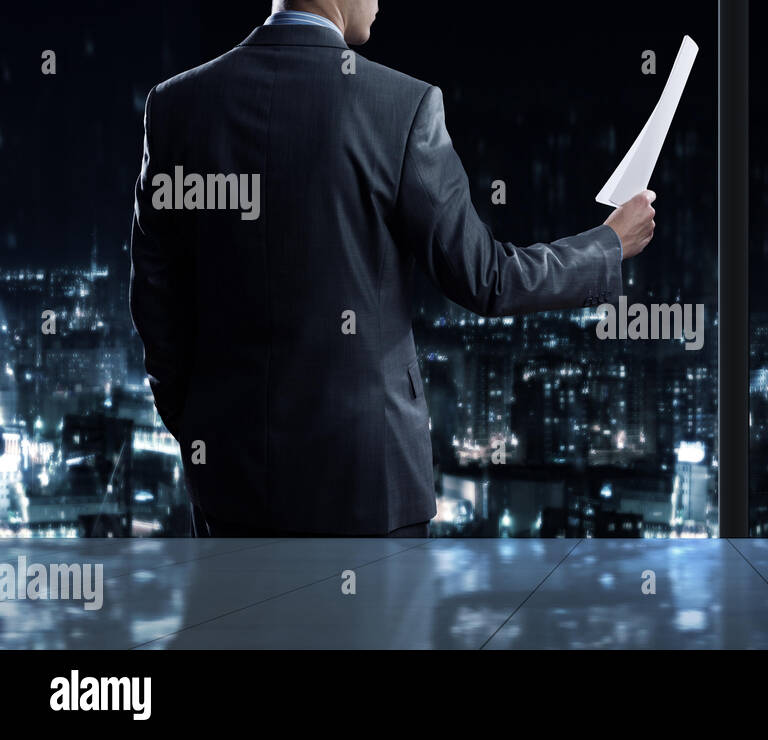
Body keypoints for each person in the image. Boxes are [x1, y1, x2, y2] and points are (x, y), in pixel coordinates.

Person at [129, 0, 657, 537]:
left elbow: (155, 296)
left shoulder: (178, 105)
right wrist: (607, 245)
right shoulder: (401, 107)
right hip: (369, 484)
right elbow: (487, 278)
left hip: (229, 479)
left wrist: (200, 422)